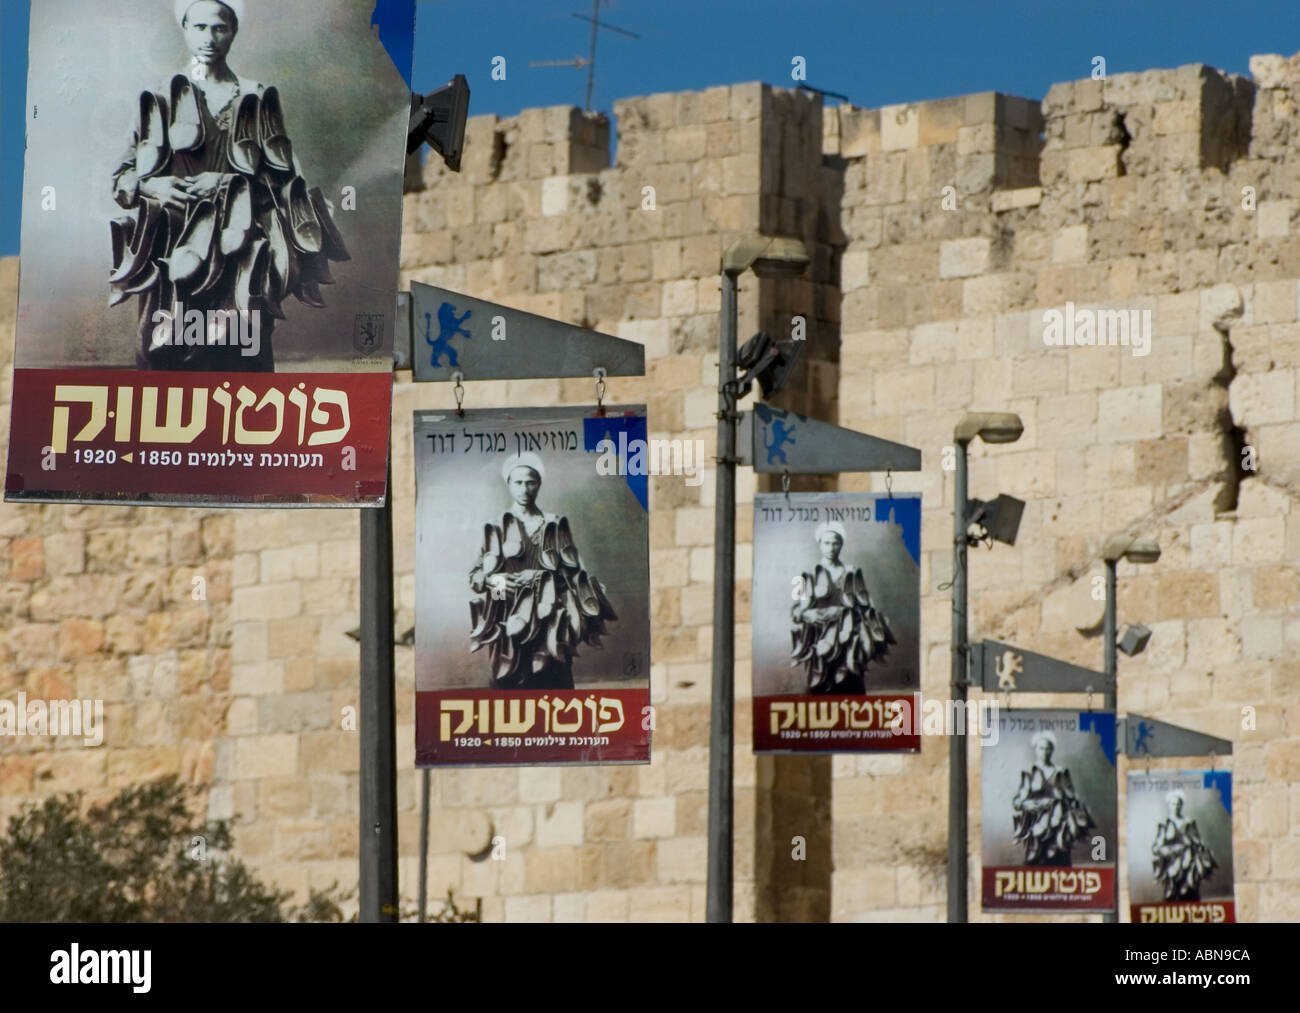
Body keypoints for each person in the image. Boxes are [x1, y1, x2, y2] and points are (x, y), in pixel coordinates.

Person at [109, 0, 349, 371]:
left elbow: (288, 185)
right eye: (200, 27)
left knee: (241, 366)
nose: (210, 38)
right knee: (164, 363)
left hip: (242, 255)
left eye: (219, 28)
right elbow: (121, 178)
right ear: (185, 29)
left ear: (233, 31)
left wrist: (227, 183)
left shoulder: (255, 96)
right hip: (173, 250)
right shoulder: (158, 97)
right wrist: (151, 187)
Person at [468, 453, 617, 689]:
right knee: (509, 692)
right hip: (509, 620)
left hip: (550, 618)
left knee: (554, 686)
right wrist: (497, 583)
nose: (524, 489)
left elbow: (574, 575)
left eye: (530, 482)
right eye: (518, 483)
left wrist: (543, 578)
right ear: (508, 484)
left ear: (539, 484)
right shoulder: (496, 527)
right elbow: (476, 578)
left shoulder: (555, 524)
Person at [790, 521, 895, 694]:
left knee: (851, 690)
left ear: (841, 544)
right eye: (826, 543)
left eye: (835, 543)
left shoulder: (852, 572)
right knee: (819, 692)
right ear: (819, 544)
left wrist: (845, 613)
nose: (831, 548)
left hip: (848, 641)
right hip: (819, 641)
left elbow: (866, 607)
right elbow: (795, 610)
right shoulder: (806, 574)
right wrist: (808, 615)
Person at [1011, 730, 1096, 866]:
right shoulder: (1028, 773)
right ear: (1035, 750)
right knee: (1036, 865)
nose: (1044, 752)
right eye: (1041, 748)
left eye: (1048, 748)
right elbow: (1017, 801)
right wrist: (1029, 804)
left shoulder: (1061, 772)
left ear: (1052, 750)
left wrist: (1072, 807)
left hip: (1059, 827)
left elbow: (1072, 797)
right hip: (1037, 827)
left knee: (1061, 863)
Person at [1151, 790, 1217, 901]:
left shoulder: (1189, 822)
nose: (1175, 807)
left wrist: (1200, 850)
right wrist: (1168, 850)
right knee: (1172, 896)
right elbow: (1156, 848)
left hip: (1189, 865)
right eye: (1173, 804)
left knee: (1190, 894)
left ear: (1181, 805)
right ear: (1169, 805)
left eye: (1178, 804)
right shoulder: (1164, 824)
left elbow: (1198, 841)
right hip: (1171, 865)